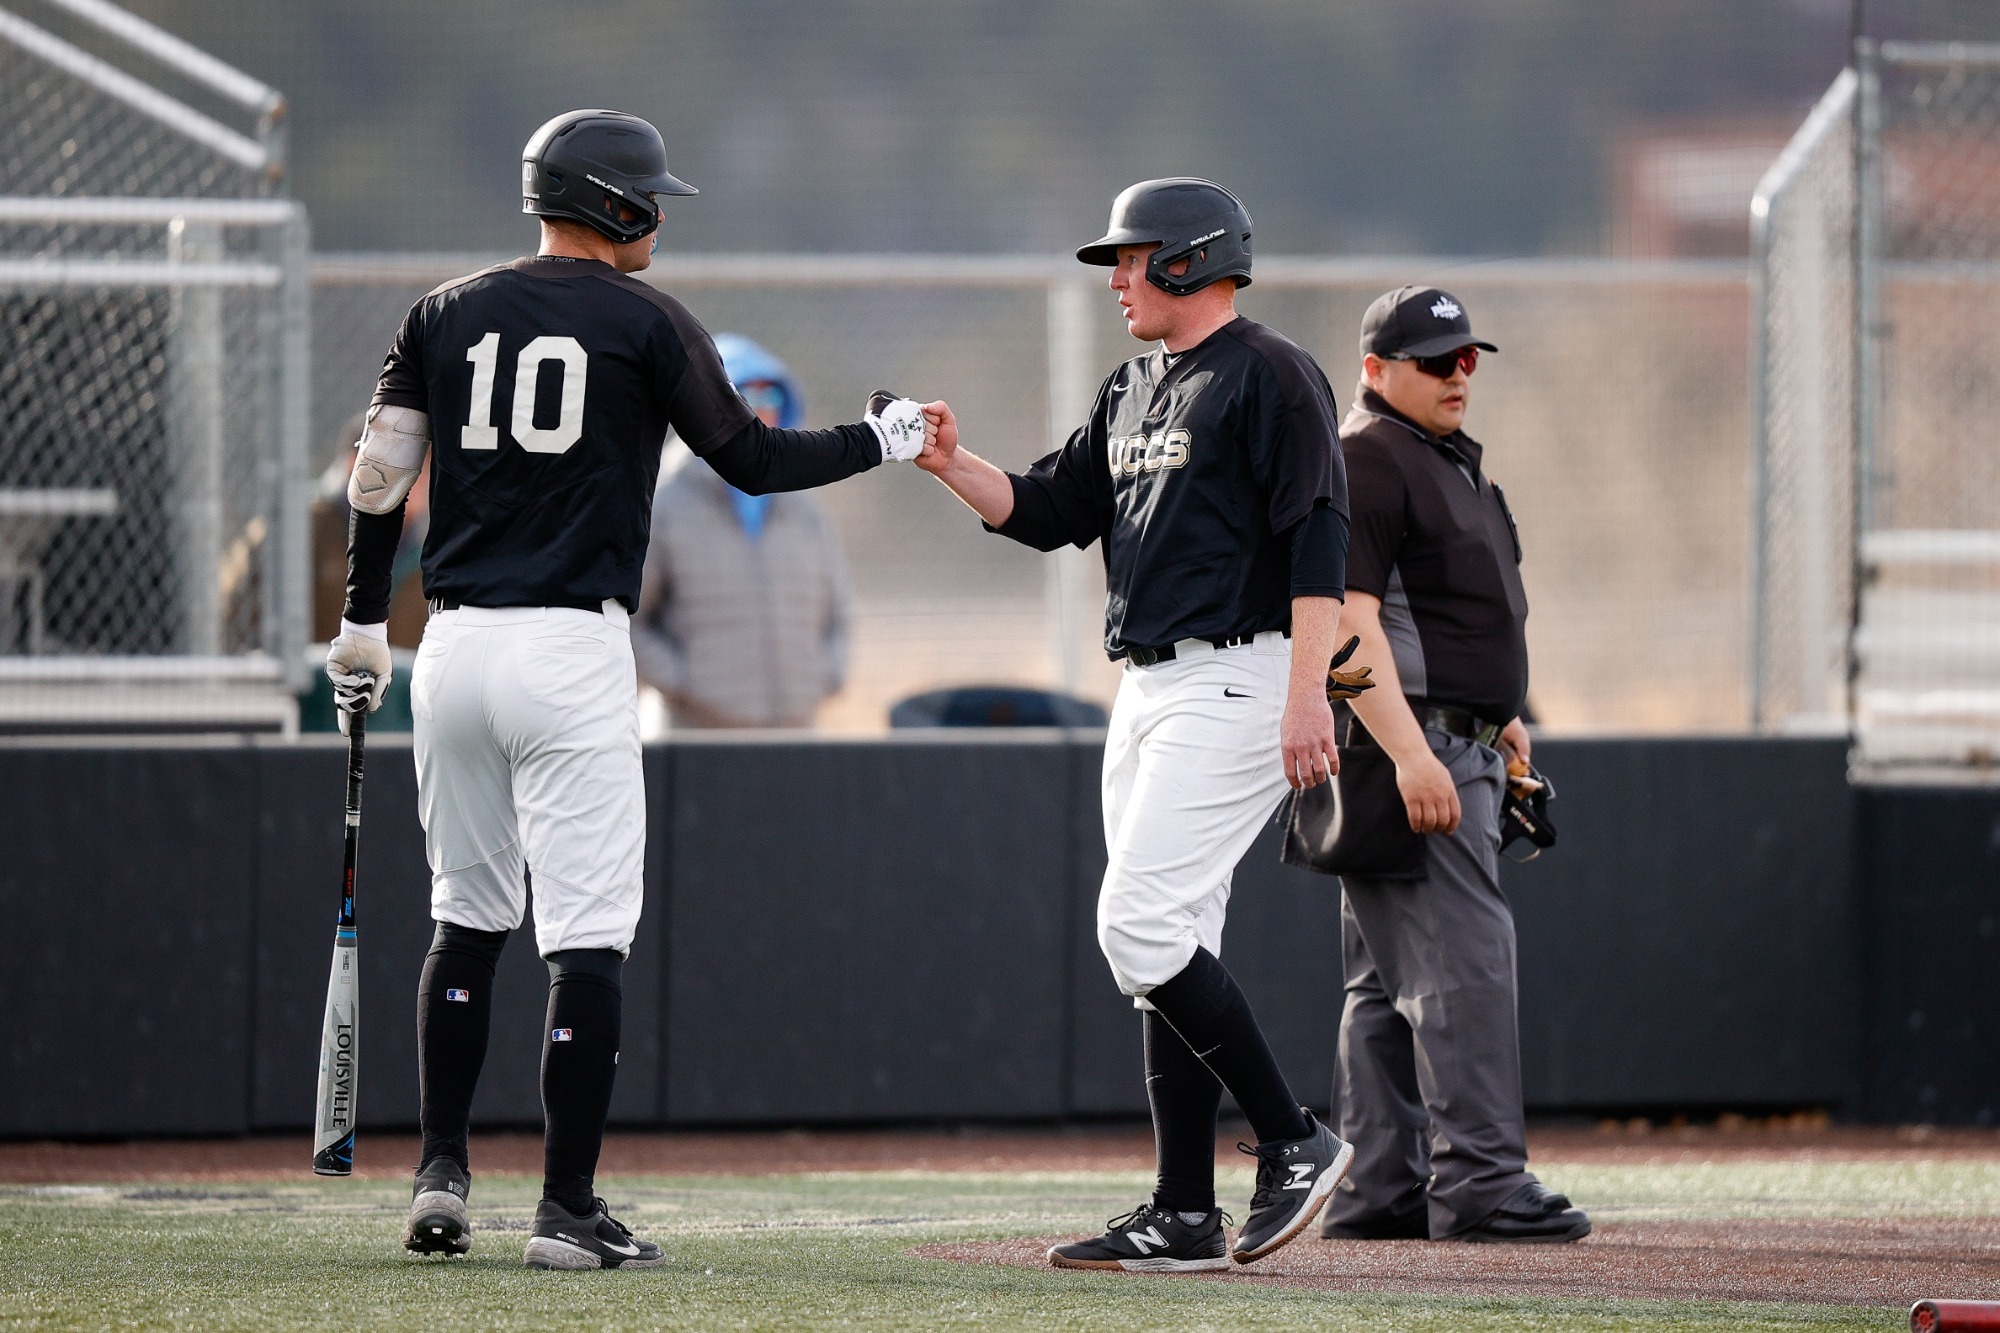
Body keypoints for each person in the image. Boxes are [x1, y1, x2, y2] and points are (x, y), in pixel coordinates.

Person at [322, 108, 933, 1270]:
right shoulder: (647, 319)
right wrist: (881, 438)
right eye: (648, 197)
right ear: (609, 203)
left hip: (452, 649)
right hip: (569, 649)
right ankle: (565, 1208)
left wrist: (359, 622)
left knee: (465, 919)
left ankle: (440, 1172)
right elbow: (751, 459)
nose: (658, 216)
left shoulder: (439, 311)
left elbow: (377, 476)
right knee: (586, 937)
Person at [917, 178, 1357, 1272]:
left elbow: (1318, 534)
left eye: (1129, 256)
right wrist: (949, 464)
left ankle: (1294, 1137)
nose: (1115, 278)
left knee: (1139, 924)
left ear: (1188, 257)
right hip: (1152, 685)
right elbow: (1048, 511)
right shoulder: (1133, 385)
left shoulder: (1270, 371)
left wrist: (1307, 690)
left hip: (1242, 672)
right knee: (1171, 941)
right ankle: (1182, 1211)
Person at [1318, 286, 1590, 1244]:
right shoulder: (1369, 455)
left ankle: (1381, 1187)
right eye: (1436, 360)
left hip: (1443, 740)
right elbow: (1343, 621)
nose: (1458, 374)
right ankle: (1481, 1183)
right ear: (1375, 369)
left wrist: (1501, 718)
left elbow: (1447, 609)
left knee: (1387, 983)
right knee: (1462, 968)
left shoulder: (1436, 458)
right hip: (1412, 748)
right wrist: (1413, 752)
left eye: (1468, 357)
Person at [632, 334, 853, 728]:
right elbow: (629, 619)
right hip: (695, 737)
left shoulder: (803, 509)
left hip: (795, 735)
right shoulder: (661, 501)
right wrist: (685, 684)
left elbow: (838, 613)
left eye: (772, 398)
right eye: (747, 397)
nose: (762, 412)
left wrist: (824, 676)